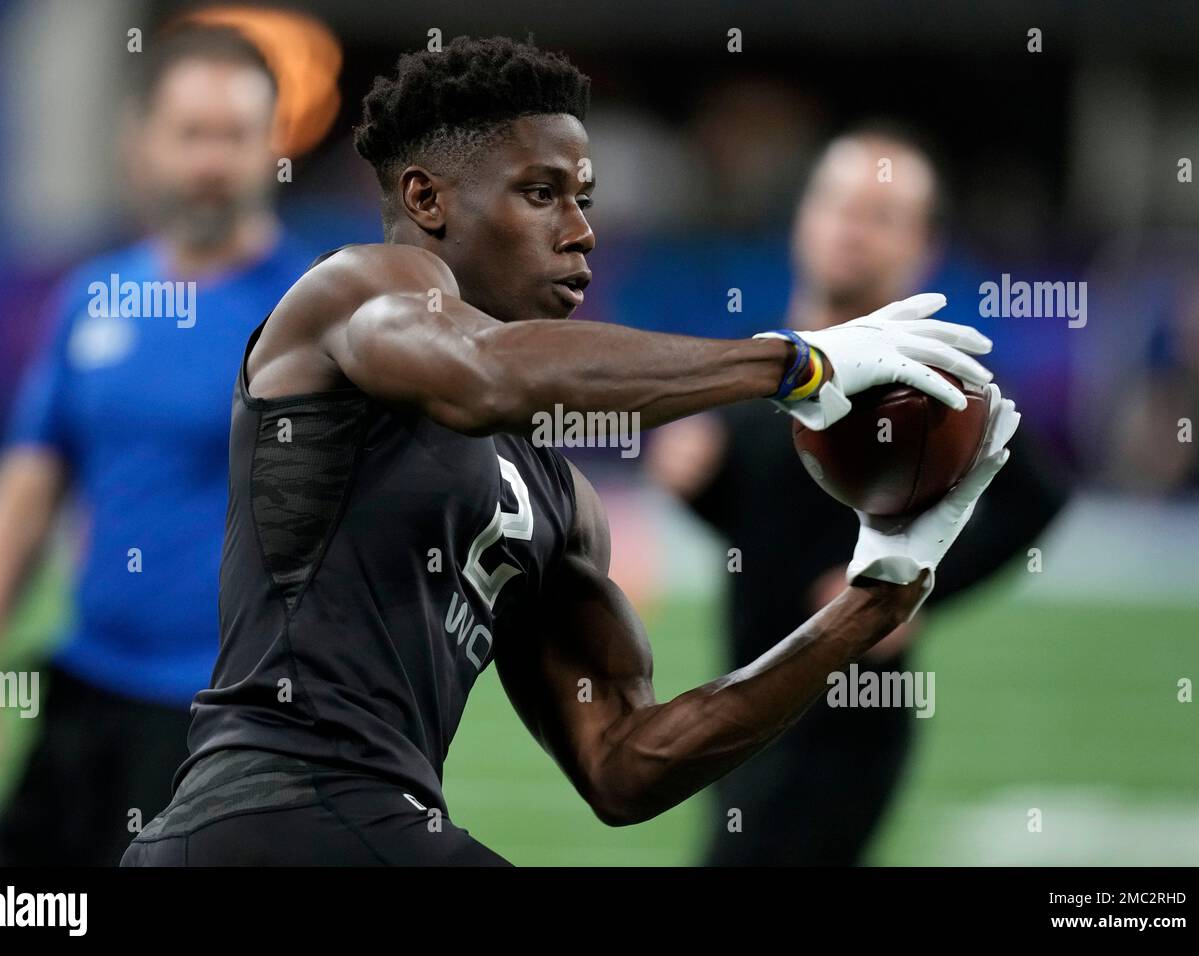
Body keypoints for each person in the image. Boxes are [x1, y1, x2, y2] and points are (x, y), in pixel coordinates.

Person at [121, 36, 1017, 867]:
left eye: (584, 200)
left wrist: (877, 596)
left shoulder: (557, 499)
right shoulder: (357, 288)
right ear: (428, 200)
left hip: (368, 827)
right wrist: (793, 361)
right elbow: (484, 376)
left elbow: (626, 766)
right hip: (267, 816)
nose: (581, 231)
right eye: (542, 193)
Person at [0, 25, 315, 865]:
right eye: (191, 133)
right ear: (141, 142)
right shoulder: (93, 299)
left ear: (272, 146)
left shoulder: (318, 315)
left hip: (231, 724)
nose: (212, 160)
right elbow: (27, 492)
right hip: (86, 696)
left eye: (236, 135)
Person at [647, 127, 1068, 865]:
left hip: (846, 716)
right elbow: (761, 530)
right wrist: (697, 487)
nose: (850, 228)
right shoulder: (768, 362)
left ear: (924, 245)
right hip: (740, 694)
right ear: (803, 218)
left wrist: (917, 594)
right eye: (836, 203)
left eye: (879, 214)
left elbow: (1038, 500)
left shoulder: (937, 383)